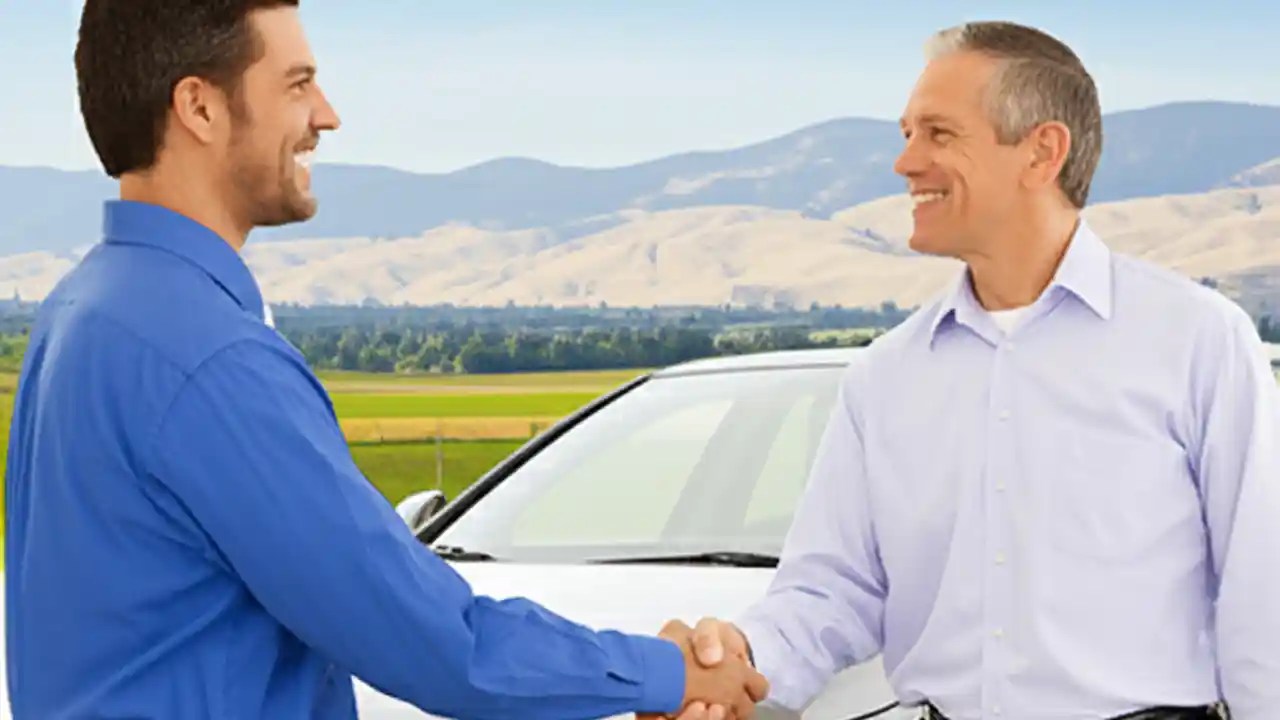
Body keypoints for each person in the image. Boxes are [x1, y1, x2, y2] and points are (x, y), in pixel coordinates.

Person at [3, 2, 769, 719]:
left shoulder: (84, 310)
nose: (326, 115)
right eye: (297, 84)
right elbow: (432, 640)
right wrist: (668, 671)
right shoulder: (207, 356)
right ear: (200, 107)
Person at [653, 20, 1280, 720]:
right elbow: (835, 591)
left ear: (1042, 152)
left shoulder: (1197, 341)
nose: (904, 163)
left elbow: (1264, 593)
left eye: (938, 134)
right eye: (906, 134)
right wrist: (736, 657)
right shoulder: (885, 377)